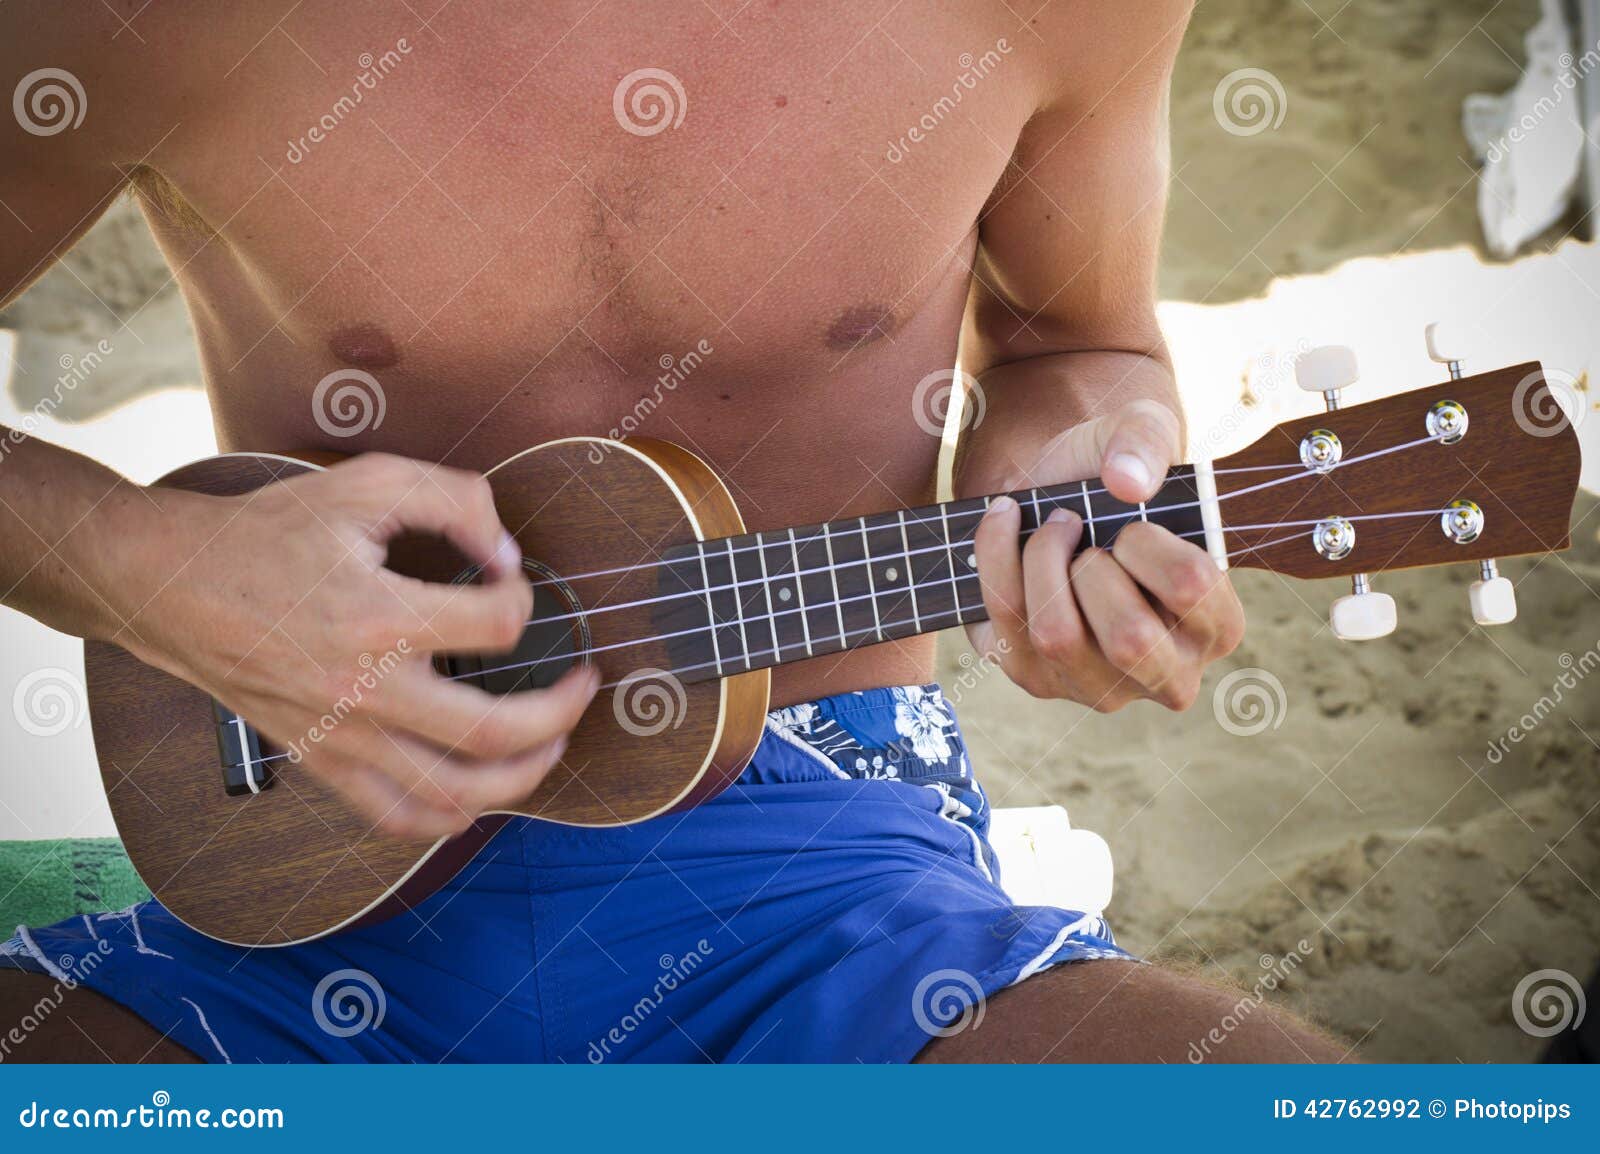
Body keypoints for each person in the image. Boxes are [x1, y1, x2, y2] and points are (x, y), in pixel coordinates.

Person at [0, 1, 1342, 1062]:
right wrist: (146, 569)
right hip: (297, 862)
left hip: (828, 860)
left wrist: (1076, 474)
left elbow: (1080, 338)